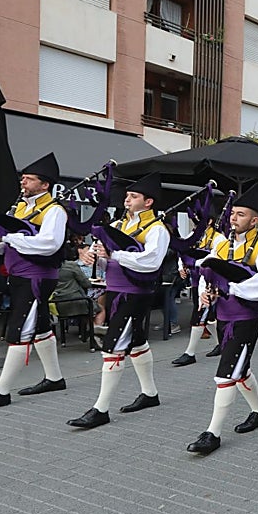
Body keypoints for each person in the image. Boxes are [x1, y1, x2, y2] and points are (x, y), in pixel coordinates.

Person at [68, 174, 170, 429]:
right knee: (136, 341)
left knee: (113, 347)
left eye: (134, 196)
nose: (127, 199)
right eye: (127, 195)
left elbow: (151, 262)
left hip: (135, 293)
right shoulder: (118, 224)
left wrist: (114, 254)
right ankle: (150, 394)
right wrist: (97, 258)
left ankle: (100, 408)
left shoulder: (157, 229)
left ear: (148, 202)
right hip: (115, 290)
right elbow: (111, 260)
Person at [0, 153, 67, 410]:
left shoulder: (55, 211)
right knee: (41, 327)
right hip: (19, 275)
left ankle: (1, 391)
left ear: (45, 185)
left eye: (30, 178)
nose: (23, 181)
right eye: (23, 177)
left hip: (37, 277)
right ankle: (55, 379)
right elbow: (7, 248)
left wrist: (7, 237)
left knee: (19, 330)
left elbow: (49, 244)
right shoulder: (19, 207)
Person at [186, 187, 258, 455]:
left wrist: (232, 289)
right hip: (224, 318)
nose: (234, 218)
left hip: (246, 319)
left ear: (255, 220)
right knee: (241, 369)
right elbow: (208, 268)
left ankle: (212, 433)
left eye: (242, 214)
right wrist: (206, 291)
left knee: (226, 374)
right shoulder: (222, 244)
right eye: (233, 213)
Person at [170, 202, 223, 367]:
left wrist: (195, 262)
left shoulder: (219, 238)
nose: (195, 223)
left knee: (199, 314)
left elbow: (215, 259)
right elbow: (182, 251)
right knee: (209, 316)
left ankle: (190, 353)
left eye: (199, 220)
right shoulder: (192, 235)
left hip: (209, 281)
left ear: (209, 222)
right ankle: (222, 344)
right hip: (194, 280)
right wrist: (181, 267)